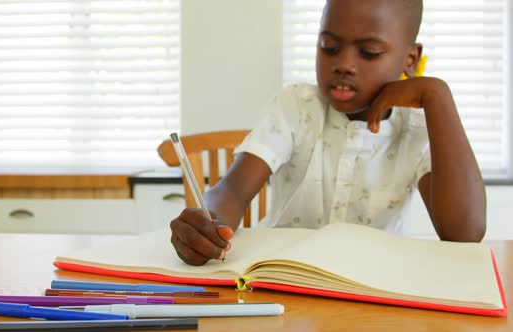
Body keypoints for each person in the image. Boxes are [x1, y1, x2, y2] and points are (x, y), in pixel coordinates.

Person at [170, 0, 486, 266]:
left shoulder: (418, 127)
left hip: (374, 286)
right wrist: (208, 220)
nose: (344, 65)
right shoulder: (297, 105)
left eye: (370, 52)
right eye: (329, 47)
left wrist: (436, 95)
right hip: (287, 277)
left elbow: (465, 232)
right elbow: (232, 191)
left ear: (410, 59)